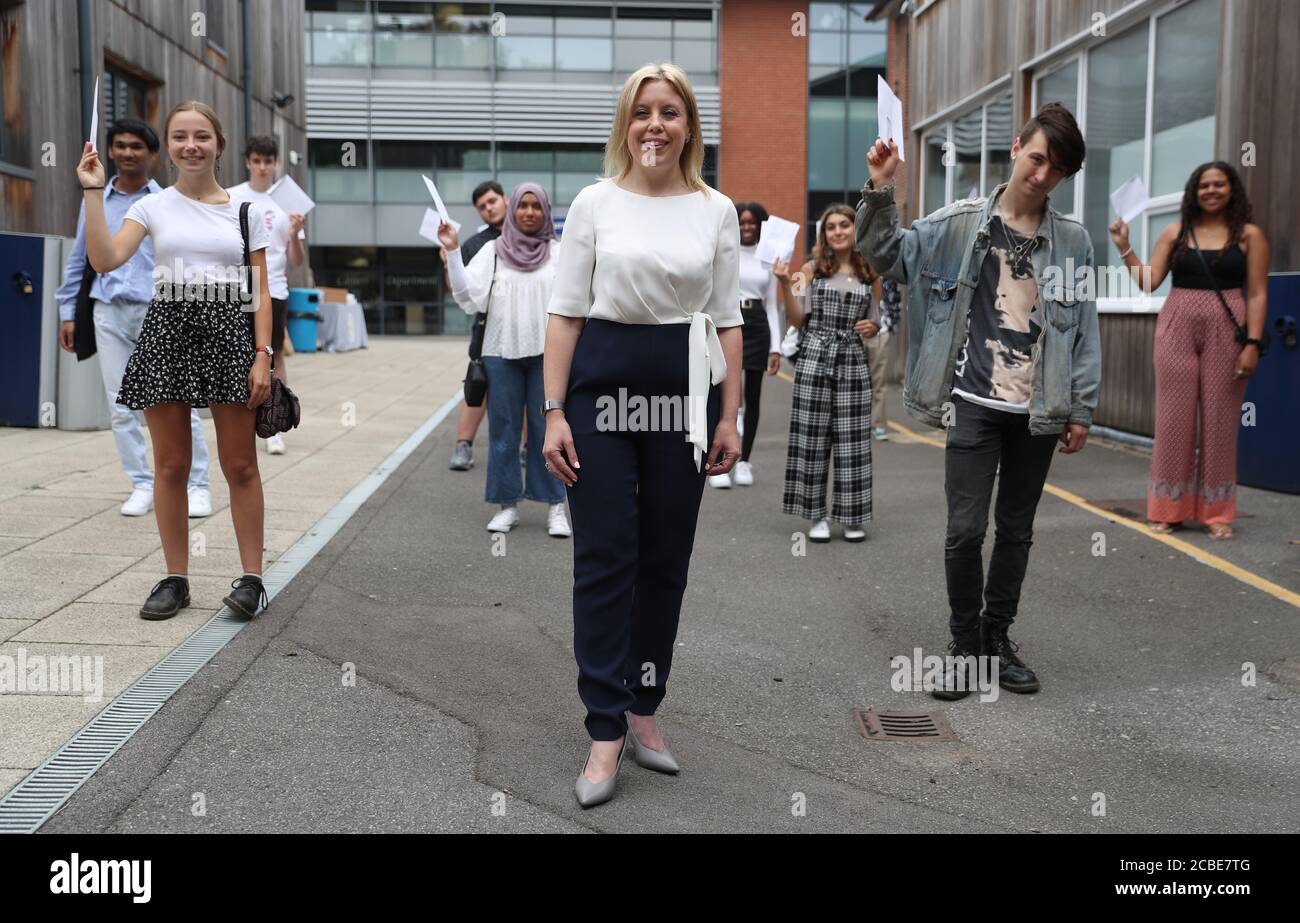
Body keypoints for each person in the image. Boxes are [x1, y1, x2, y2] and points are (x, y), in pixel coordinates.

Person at [543, 63, 742, 808]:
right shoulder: (595, 202)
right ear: (626, 125)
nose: (655, 124)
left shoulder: (715, 209)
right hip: (601, 387)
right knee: (604, 556)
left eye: (669, 111)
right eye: (642, 112)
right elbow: (564, 312)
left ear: (689, 125)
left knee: (664, 558)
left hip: (685, 391)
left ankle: (643, 705)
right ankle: (603, 726)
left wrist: (730, 415)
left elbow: (728, 319)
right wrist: (553, 410)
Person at [857, 102, 1100, 697]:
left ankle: (997, 637)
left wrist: (1082, 407)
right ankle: (965, 646)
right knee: (965, 531)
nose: (1042, 174)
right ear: (1017, 148)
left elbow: (1085, 326)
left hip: (1039, 408)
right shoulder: (961, 224)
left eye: (1057, 168)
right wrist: (880, 190)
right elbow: (889, 257)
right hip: (972, 400)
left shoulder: (1072, 242)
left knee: (1015, 530)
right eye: (1038, 157)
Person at [76, 101, 274, 622]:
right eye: (181, 136)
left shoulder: (246, 211)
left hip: (231, 328)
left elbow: (260, 292)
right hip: (168, 326)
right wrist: (94, 192)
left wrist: (263, 356)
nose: (192, 145)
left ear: (219, 145)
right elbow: (104, 260)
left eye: (202, 136)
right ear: (170, 147)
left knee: (239, 465)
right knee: (169, 465)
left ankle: (252, 579)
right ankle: (176, 579)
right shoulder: (151, 207)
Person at [55, 118, 212, 518]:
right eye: (121, 145)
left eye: (137, 147)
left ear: (153, 155)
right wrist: (67, 312)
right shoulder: (95, 199)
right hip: (108, 310)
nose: (128, 153)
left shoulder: (166, 201)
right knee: (121, 405)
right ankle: (142, 483)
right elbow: (80, 258)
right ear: (109, 152)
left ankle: (197, 485)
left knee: (180, 401)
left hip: (159, 312)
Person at [1110, 162, 1269, 539]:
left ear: (1232, 190)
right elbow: (1150, 282)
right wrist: (1124, 247)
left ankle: (1216, 513)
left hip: (1228, 330)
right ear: (1193, 192)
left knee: (1220, 421)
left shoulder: (1249, 235)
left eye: (1219, 184)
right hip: (1176, 324)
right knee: (1173, 420)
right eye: (1204, 185)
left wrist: (1253, 344)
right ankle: (1168, 509)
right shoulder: (1175, 232)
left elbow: (1259, 293)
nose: (1211, 190)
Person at [439, 182, 571, 537]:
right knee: (503, 430)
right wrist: (452, 252)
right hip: (500, 353)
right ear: (514, 212)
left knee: (547, 430)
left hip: (548, 355)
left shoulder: (559, 253)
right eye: (523, 206)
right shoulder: (493, 251)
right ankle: (507, 505)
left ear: (545, 211)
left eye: (536, 206)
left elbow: (574, 307)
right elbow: (468, 299)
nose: (529, 212)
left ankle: (556, 505)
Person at [775, 203, 877, 543]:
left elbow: (876, 318)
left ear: (854, 229)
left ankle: (851, 516)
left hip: (852, 359)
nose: (838, 231)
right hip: (815, 357)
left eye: (844, 225)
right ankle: (816, 515)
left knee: (853, 440)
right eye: (831, 226)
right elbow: (795, 320)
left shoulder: (867, 271)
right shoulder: (809, 269)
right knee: (812, 438)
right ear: (824, 234)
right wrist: (783, 283)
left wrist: (872, 326)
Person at [227, 135, 306, 456]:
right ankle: (239, 420)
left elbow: (297, 261)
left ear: (275, 164)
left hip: (274, 289)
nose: (262, 167)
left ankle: (274, 422)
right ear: (248, 162)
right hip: (237, 288)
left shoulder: (289, 202)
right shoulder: (231, 197)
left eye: (268, 161)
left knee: (273, 357)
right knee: (237, 357)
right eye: (256, 161)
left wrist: (298, 232)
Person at [709, 201, 781, 488]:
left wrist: (776, 346)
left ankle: (745, 462)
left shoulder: (768, 258)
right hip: (727, 322)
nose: (746, 227)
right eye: (742, 222)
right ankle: (719, 465)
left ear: (760, 226)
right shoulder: (725, 252)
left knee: (753, 397)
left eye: (752, 222)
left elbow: (773, 305)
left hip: (757, 324)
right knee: (722, 393)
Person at [447, 180, 508, 471]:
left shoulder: (529, 232)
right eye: (482, 207)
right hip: (486, 326)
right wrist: (448, 260)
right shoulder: (473, 244)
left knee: (524, 390)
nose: (488, 208)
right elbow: (461, 291)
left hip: (527, 326)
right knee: (477, 384)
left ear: (505, 199)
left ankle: (525, 448)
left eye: (492, 201)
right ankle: (463, 445)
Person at [869, 277, 902, 440]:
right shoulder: (855, 264)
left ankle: (878, 424)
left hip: (882, 329)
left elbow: (896, 299)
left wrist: (890, 325)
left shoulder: (888, 269)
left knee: (879, 379)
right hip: (856, 329)